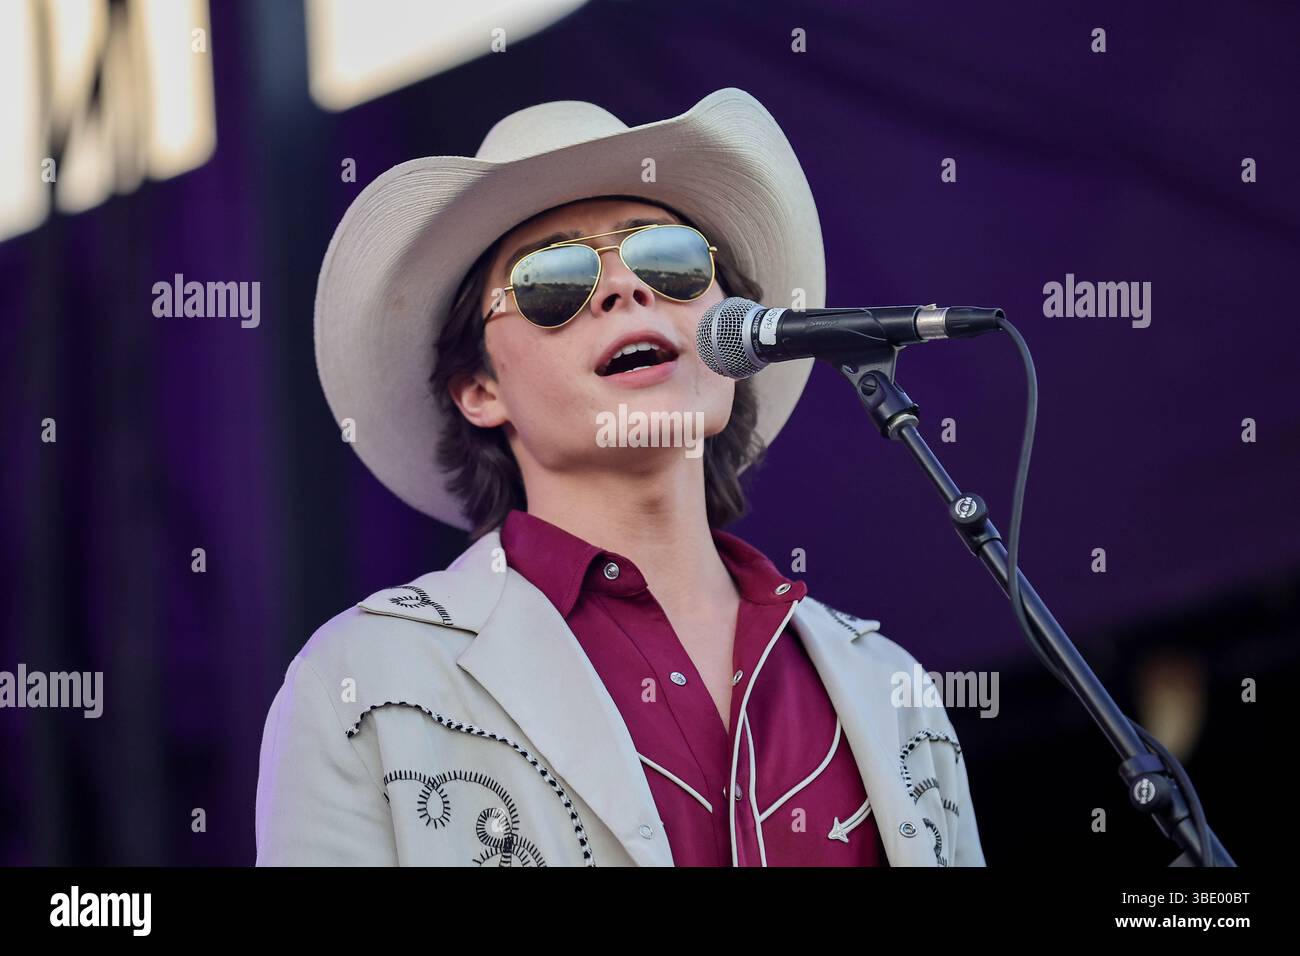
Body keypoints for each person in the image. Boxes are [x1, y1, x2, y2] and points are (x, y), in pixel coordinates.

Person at [255, 88, 985, 867]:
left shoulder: (887, 684)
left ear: (735, 338)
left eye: (668, 260)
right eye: (552, 282)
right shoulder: (360, 683)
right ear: (479, 389)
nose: (623, 288)